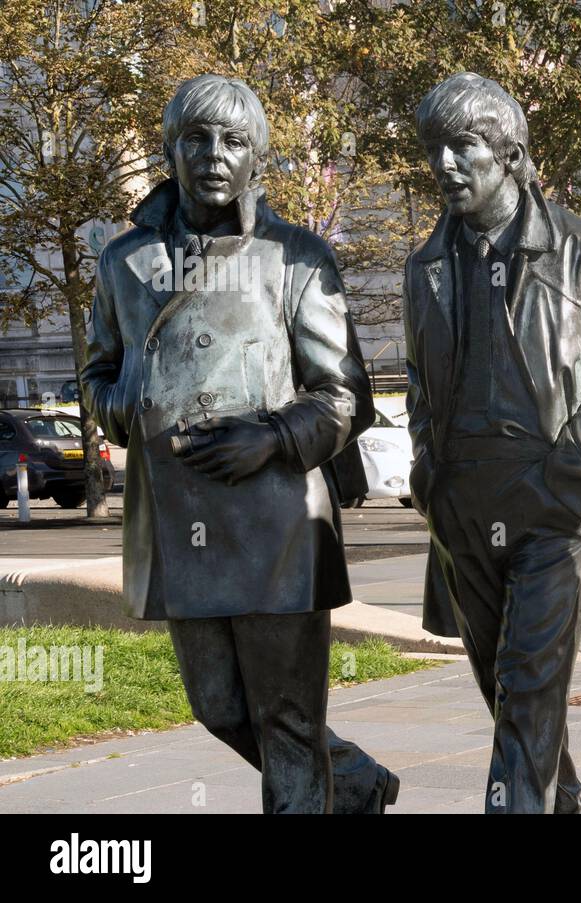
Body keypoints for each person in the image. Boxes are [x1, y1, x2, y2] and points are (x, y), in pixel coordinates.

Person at [82, 75, 398, 814]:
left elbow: (346, 393)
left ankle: (320, 787)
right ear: (170, 150)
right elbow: (97, 371)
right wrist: (125, 404)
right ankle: (350, 778)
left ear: (256, 157)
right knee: (218, 706)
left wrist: (274, 435)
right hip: (177, 520)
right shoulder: (124, 263)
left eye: (234, 141)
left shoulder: (295, 257)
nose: (215, 155)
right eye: (197, 138)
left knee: (286, 723)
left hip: (277, 521)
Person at [403, 72, 581, 814]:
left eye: (464, 148)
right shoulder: (425, 267)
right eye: (435, 151)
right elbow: (420, 384)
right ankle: (564, 801)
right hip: (462, 508)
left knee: (527, 684)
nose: (445, 166)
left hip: (550, 502)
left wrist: (570, 474)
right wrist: (429, 473)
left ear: (512, 155)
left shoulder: (580, 252)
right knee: (506, 686)